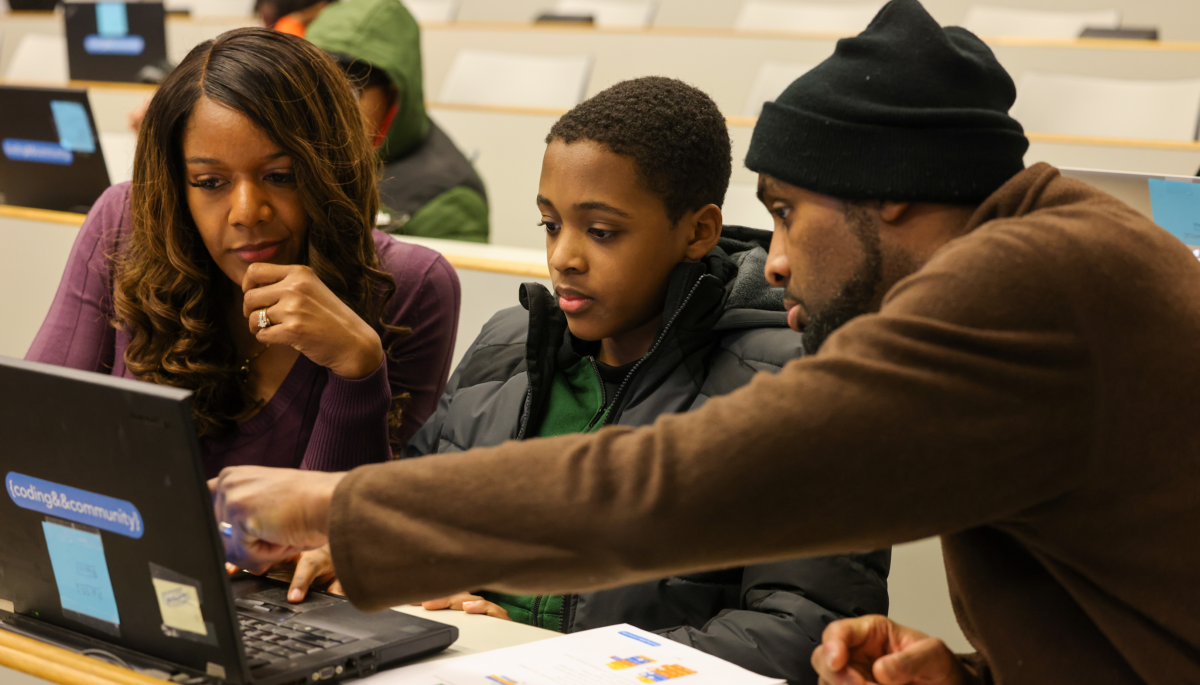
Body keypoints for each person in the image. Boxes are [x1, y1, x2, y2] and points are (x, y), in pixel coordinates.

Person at [210, 1, 1200, 683]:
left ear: (889, 191)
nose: (768, 259)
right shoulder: (1060, 261)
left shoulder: (1032, 280)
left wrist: (343, 504)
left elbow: (678, 484)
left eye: (785, 210)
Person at [287, 77, 889, 685]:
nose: (563, 257)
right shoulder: (508, 345)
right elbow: (412, 527)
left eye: (601, 232)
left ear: (698, 231)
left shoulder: (795, 382)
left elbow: (804, 633)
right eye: (551, 224)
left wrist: (541, 655)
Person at [30, 27, 460, 478]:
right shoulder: (125, 222)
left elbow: (341, 533)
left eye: (281, 175)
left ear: (331, 170)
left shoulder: (411, 286)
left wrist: (357, 370)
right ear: (178, 186)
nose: (247, 212)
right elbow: (36, 431)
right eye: (210, 183)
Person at [306, 0, 490, 242]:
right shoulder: (292, 159)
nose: (328, 111)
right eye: (314, 92)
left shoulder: (448, 202)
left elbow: (448, 280)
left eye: (348, 94)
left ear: (394, 91)